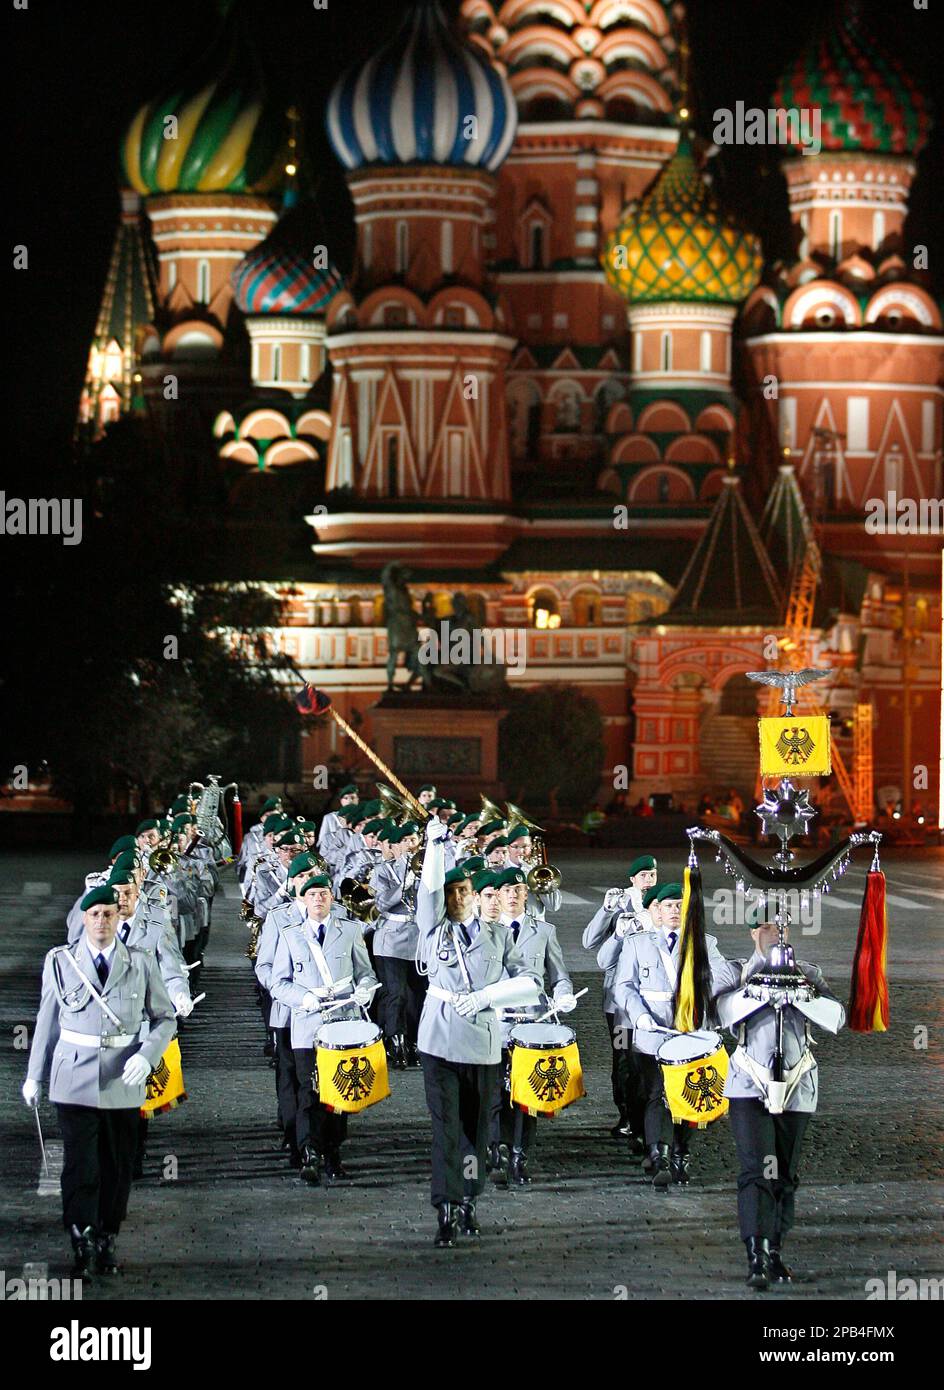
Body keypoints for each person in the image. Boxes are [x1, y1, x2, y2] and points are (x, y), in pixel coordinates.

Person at [22, 885, 177, 1276]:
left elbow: (164, 1018)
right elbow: (46, 1021)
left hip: (122, 1077)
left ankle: (107, 1232)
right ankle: (82, 1233)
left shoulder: (139, 962)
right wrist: (33, 1076)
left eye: (109, 914)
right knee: (81, 1163)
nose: (102, 921)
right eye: (94, 915)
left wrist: (148, 1055)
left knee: (117, 1165)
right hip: (72, 1075)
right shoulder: (60, 962)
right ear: (83, 919)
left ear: (119, 917)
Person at [415, 820, 541, 1247]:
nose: (456, 898)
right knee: (446, 1128)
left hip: (483, 1043)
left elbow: (529, 981)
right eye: (451, 892)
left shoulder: (499, 935)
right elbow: (428, 892)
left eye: (464, 891)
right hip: (440, 1040)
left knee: (477, 1132)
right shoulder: (434, 930)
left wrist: (488, 995)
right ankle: (446, 1206)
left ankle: (470, 1198)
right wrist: (434, 845)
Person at [712, 920, 845, 1289]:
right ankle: (756, 1253)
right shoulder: (736, 971)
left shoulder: (807, 972)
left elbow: (837, 1018)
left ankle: (774, 1250)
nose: (777, 933)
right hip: (748, 1085)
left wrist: (803, 994)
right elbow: (718, 1013)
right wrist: (759, 992)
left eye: (783, 927)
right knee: (757, 1169)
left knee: (784, 1173)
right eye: (769, 926)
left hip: (796, 1084)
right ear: (754, 932)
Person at [613, 881, 728, 1188]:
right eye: (668, 906)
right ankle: (658, 1153)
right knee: (656, 1094)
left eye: (680, 906)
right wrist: (639, 1016)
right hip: (652, 1034)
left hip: (689, 1033)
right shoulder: (637, 943)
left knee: (687, 1096)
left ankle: (681, 1154)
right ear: (657, 912)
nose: (675, 911)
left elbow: (723, 975)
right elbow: (623, 986)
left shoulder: (704, 942)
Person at [269, 874, 377, 1185]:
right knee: (309, 1090)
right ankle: (309, 1152)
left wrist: (366, 989)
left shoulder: (350, 930)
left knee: (339, 1093)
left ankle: (333, 1152)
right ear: (302, 899)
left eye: (324, 894)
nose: (318, 899)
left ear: (332, 898)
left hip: (343, 1024)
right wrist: (303, 997)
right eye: (312, 894)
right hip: (306, 1025)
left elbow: (365, 972)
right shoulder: (291, 935)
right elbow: (278, 982)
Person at [491, 866, 576, 1184]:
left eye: (518, 890)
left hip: (531, 1025)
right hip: (495, 1025)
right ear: (497, 896)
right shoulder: (484, 931)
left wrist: (565, 995)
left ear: (527, 894)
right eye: (507, 891)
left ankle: (518, 1156)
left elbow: (560, 975)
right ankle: (496, 1150)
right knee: (495, 1094)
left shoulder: (545, 932)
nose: (513, 895)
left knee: (527, 1096)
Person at [582, 855, 658, 1145]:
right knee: (623, 1059)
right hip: (619, 1001)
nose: (649, 881)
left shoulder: (660, 904)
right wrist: (606, 911)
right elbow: (590, 942)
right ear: (632, 879)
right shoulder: (620, 903)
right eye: (643, 876)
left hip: (651, 1000)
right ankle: (626, 1115)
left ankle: (647, 1116)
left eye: (652, 875)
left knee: (647, 1059)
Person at [371, 823, 424, 1068]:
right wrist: (407, 879)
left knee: (419, 995)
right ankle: (395, 1042)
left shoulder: (427, 870)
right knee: (396, 993)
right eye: (406, 841)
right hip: (391, 939)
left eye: (414, 840)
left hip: (420, 939)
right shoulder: (383, 871)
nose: (411, 845)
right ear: (396, 846)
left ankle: (416, 1042)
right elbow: (381, 903)